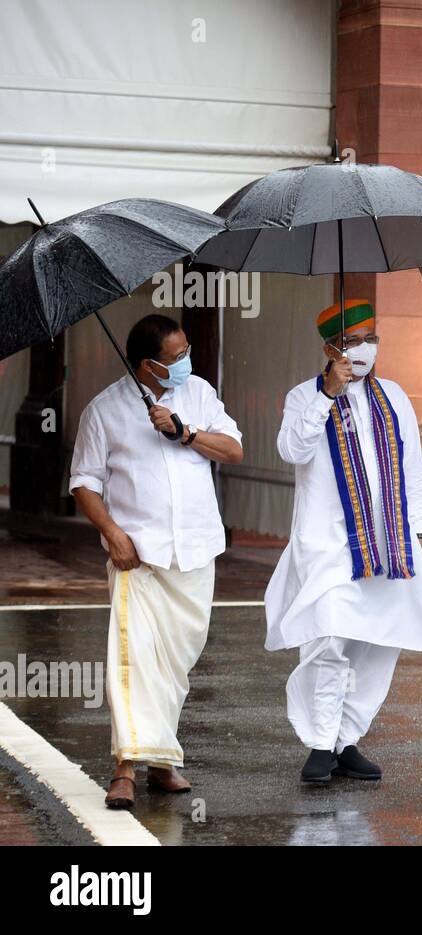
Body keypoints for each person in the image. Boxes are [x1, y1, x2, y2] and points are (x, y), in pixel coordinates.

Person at [265, 300, 422, 784]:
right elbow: (292, 450)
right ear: (330, 349)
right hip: (328, 545)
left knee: (377, 643)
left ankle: (346, 739)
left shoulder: (395, 396)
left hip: (389, 544)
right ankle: (320, 742)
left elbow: (412, 469)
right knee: (327, 637)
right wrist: (327, 394)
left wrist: (418, 529)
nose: (366, 348)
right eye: (353, 341)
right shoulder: (304, 395)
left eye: (371, 338)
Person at [69, 313, 244, 809]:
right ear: (148, 365)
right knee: (134, 656)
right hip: (138, 555)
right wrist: (112, 534)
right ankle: (125, 767)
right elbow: (84, 482)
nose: (186, 360)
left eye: (187, 350)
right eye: (177, 356)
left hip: (196, 550)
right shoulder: (104, 410)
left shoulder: (199, 393)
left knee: (174, 663)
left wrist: (185, 432)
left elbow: (233, 449)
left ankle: (162, 760)